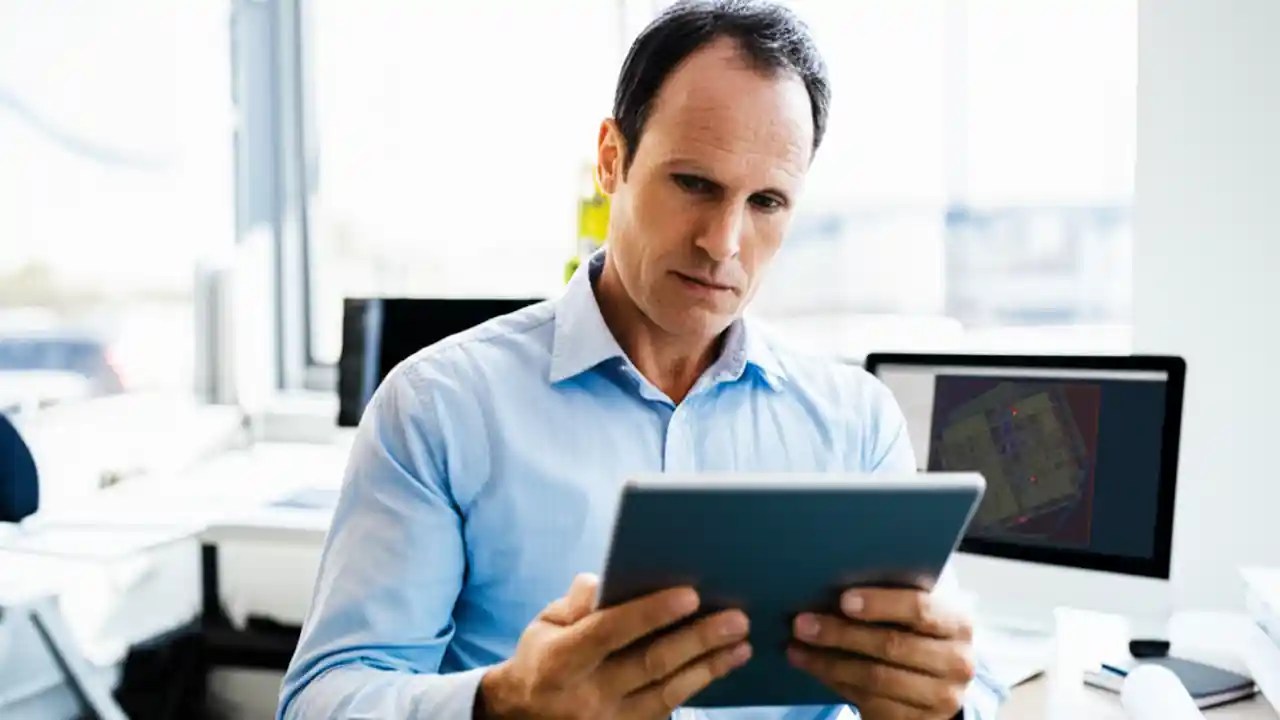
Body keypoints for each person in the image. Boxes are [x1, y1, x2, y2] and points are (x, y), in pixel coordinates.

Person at [279, 1, 1004, 718]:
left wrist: (943, 704)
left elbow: (972, 676)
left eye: (767, 202)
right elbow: (322, 701)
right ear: (611, 160)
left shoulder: (855, 423)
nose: (723, 242)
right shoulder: (440, 408)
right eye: (695, 184)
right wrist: (504, 703)